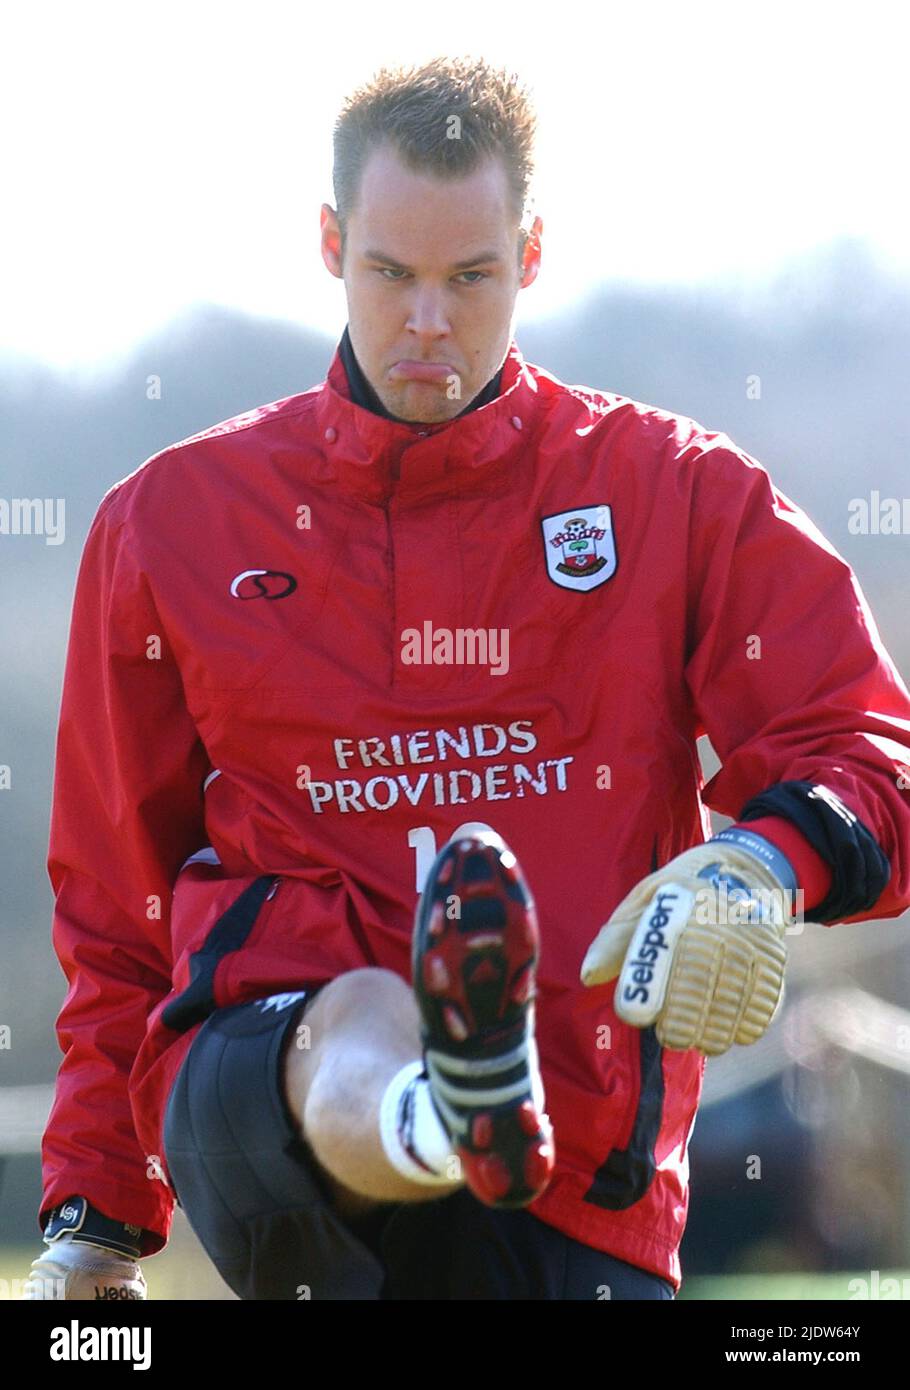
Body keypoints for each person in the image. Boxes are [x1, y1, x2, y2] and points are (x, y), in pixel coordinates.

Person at [24, 55, 910, 1302]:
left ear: (533, 253)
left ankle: (475, 1108)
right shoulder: (172, 522)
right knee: (360, 1012)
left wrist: (764, 863)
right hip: (267, 1106)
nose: (427, 322)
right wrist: (94, 1216)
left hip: (582, 1181)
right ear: (331, 242)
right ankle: (440, 1106)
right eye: (390, 273)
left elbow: (869, 755)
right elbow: (119, 903)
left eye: (471, 276)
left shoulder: (679, 493)